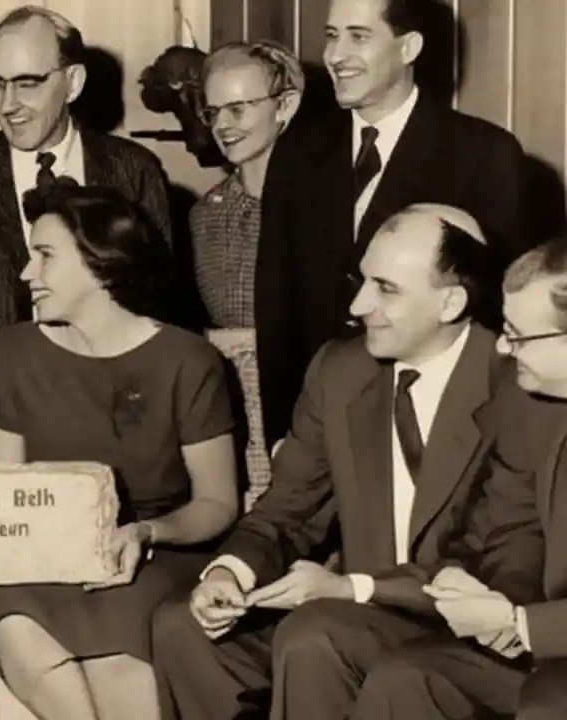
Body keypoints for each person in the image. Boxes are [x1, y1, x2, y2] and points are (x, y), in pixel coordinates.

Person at [152, 204, 519, 720]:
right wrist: (228, 573)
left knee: (316, 633)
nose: (358, 304)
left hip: (469, 628)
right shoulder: (340, 370)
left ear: (451, 302)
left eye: (386, 288)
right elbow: (290, 508)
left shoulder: (517, 381)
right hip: (359, 614)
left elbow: (495, 555)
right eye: (361, 279)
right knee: (183, 626)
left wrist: (354, 589)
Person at [351, 234, 567, 719]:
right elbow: (514, 529)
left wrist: (521, 623)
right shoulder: (536, 405)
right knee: (409, 676)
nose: (505, 350)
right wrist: (495, 600)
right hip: (557, 646)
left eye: (519, 335)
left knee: (554, 700)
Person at [0, 182, 239, 720]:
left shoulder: (188, 361)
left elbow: (218, 503)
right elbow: (1, 489)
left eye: (45, 256)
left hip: (151, 557)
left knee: (116, 661)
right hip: (40, 561)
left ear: (101, 266)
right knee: (21, 629)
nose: (27, 274)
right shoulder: (15, 351)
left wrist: (146, 533)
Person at [254, 0, 528, 448]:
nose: (335, 55)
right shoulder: (297, 152)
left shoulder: (484, 154)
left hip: (437, 422)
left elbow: (497, 308)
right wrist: (286, 429)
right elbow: (275, 300)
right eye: (330, 35)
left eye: (358, 37)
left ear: (409, 47)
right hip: (321, 420)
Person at [0, 5, 173, 415]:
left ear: (73, 82)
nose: (7, 104)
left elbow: (159, 309)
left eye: (27, 83)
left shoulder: (134, 171)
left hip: (115, 410)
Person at [190, 40, 303, 504]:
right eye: (214, 112)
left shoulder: (321, 204)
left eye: (238, 108)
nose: (222, 125)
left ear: (286, 105)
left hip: (299, 401)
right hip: (226, 405)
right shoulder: (205, 213)